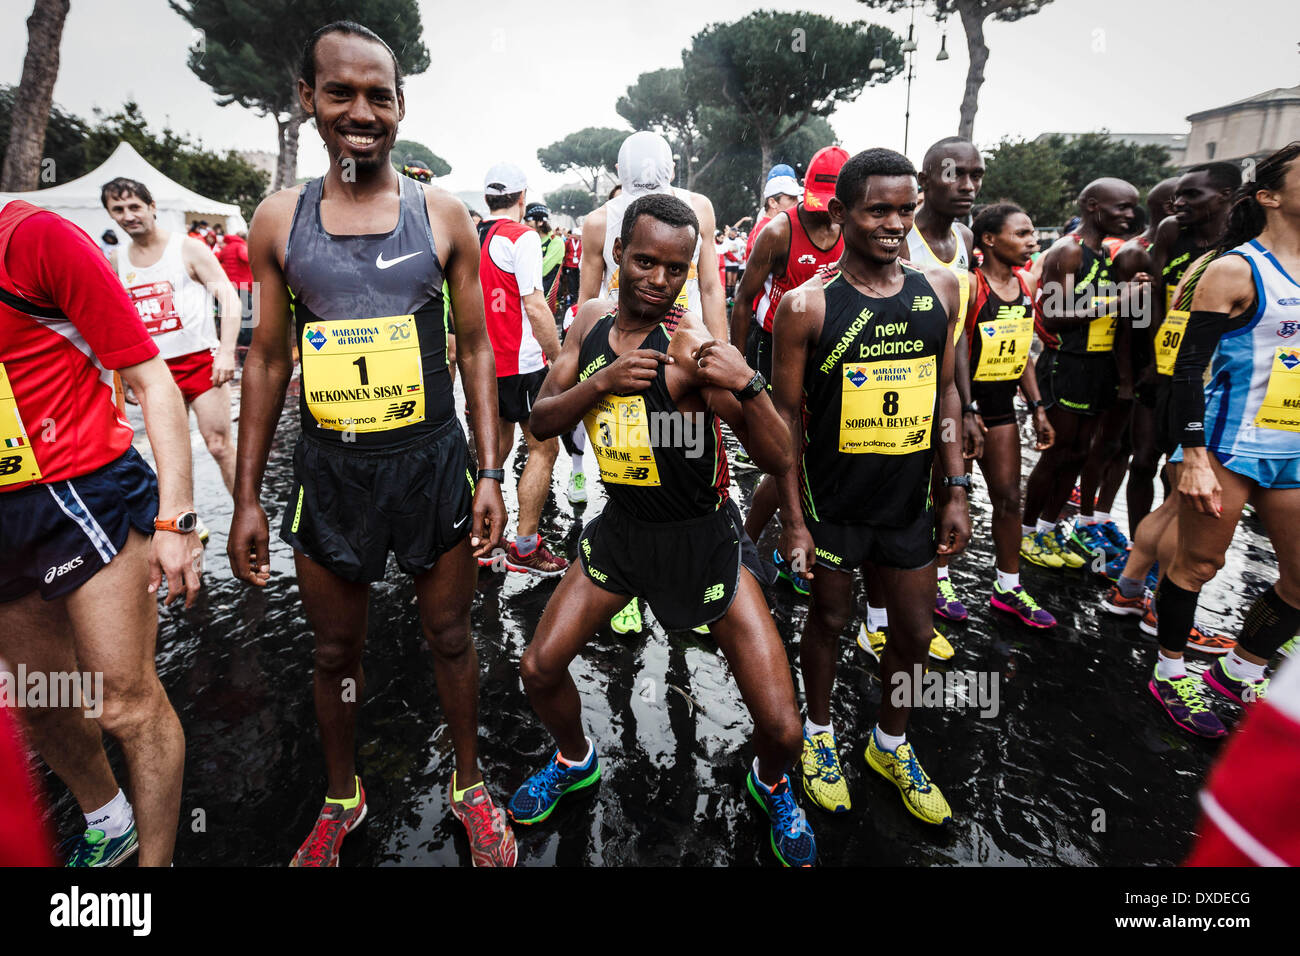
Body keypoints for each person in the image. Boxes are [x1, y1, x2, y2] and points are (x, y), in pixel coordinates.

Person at [228, 20, 516, 866]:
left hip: (432, 464)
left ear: (401, 103)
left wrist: (492, 473)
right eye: (341, 92)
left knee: (452, 635)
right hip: (333, 471)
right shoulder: (280, 220)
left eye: (378, 94)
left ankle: (470, 786)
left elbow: (476, 349)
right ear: (307, 100)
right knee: (331, 649)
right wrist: (244, 497)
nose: (362, 110)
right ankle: (340, 795)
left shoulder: (444, 215)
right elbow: (268, 359)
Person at [507, 193, 816, 866]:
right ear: (616, 254)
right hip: (622, 533)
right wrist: (603, 383)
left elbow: (780, 456)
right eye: (644, 261)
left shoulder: (690, 349)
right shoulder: (588, 321)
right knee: (539, 667)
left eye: (675, 268)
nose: (657, 280)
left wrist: (752, 384)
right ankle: (575, 758)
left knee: (782, 728)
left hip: (701, 540)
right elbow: (543, 421)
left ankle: (769, 784)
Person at [0, 198, 199, 867]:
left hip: (84, 496)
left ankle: (156, 866)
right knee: (43, 702)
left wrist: (177, 519)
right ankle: (108, 819)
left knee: (124, 704)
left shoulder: (35, 238)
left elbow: (151, 379)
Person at [774, 148, 969, 822]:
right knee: (828, 620)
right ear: (841, 213)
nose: (894, 223)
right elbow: (784, 428)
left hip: (907, 504)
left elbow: (946, 391)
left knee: (914, 632)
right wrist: (794, 521)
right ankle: (820, 737)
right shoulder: (805, 306)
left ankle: (890, 743)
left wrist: (955, 489)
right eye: (878, 209)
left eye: (905, 209)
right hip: (834, 505)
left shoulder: (939, 291)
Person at [1148, 142, 1300, 738]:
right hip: (1229, 447)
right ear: (1270, 196)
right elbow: (1188, 368)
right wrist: (1193, 456)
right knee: (1197, 565)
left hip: (1293, 449)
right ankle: (1170, 670)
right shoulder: (1236, 268)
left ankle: (1241, 668)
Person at [1102, 165, 1240, 651]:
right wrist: (1144, 364)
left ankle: (1132, 587)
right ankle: (1164, 606)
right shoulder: (1221, 254)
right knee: (1184, 491)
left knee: (1178, 491)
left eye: (1190, 195)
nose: (1176, 205)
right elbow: (1157, 302)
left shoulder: (1230, 245)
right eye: (1175, 197)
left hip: (1192, 373)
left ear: (1225, 196)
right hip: (1197, 380)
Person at [731, 146, 847, 553]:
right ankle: (748, 541)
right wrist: (739, 364)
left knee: (820, 452)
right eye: (814, 204)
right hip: (774, 345)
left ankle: (794, 542)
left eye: (831, 207)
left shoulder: (854, 230)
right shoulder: (779, 231)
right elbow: (743, 300)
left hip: (829, 349)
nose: (823, 214)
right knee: (787, 452)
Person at [1021, 178, 1141, 570]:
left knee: (1079, 455)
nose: (1129, 214)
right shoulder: (1068, 251)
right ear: (1092, 205)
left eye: (1131, 207)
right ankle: (1025, 535)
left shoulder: (1106, 254)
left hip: (1097, 369)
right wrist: (1118, 300)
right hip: (1065, 366)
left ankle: (1048, 528)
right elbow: (1054, 319)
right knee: (1056, 455)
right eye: (1121, 206)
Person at [103, 177, 243, 512]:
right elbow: (114, 323)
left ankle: (246, 515)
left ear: (152, 207)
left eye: (135, 206)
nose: (128, 215)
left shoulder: (187, 248)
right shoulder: (116, 260)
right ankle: (185, 526)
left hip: (201, 362)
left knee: (219, 445)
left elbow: (230, 299)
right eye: (118, 209)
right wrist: (123, 374)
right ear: (111, 214)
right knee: (171, 459)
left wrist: (226, 352)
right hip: (155, 371)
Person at [961, 203, 1057, 626]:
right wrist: (964, 410)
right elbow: (954, 355)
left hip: (1002, 412)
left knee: (1008, 500)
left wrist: (1037, 408)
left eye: (1032, 232)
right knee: (952, 497)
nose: (1031, 241)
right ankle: (940, 580)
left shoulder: (1024, 286)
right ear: (989, 240)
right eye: (1021, 233)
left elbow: (1023, 355)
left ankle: (1008, 586)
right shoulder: (969, 286)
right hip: (964, 411)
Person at [477, 163, 567, 575]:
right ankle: (525, 547)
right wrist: (561, 356)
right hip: (522, 362)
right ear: (522, 198)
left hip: (483, 363)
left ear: (486, 199)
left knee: (493, 452)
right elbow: (534, 304)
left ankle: (481, 537)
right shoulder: (522, 235)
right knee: (543, 449)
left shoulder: (470, 232)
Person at [905, 137, 982, 622]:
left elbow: (960, 333)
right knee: (905, 493)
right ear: (925, 180)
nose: (968, 186)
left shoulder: (967, 242)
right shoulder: (898, 233)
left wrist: (968, 407)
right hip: (897, 386)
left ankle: (938, 578)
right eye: (955, 174)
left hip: (946, 388)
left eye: (977, 176)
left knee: (949, 481)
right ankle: (884, 610)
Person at [579, 130, 726, 339]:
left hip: (685, 341)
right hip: (624, 345)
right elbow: (588, 300)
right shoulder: (598, 222)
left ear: (620, 172)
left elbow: (711, 289)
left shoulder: (700, 208)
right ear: (672, 171)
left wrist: (720, 348)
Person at [744, 164, 801, 261]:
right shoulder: (763, 232)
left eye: (797, 198)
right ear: (773, 202)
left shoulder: (781, 224)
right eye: (791, 198)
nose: (797, 203)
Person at [526, 202, 565, 317]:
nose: (525, 224)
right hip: (528, 299)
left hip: (545, 300)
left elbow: (541, 270)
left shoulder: (555, 242)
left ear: (541, 222)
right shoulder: (528, 241)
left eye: (528, 220)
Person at [216, 229, 254, 348]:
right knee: (246, 313)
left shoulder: (226, 248)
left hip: (230, 286)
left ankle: (232, 338)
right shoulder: (240, 246)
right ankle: (245, 341)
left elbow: (217, 259)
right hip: (243, 285)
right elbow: (246, 258)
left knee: (231, 312)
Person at [561, 225, 582, 312]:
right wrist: (563, 264)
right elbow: (564, 252)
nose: (579, 237)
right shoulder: (568, 242)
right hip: (569, 265)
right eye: (578, 235)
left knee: (577, 282)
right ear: (574, 235)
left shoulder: (581, 242)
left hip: (577, 266)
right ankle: (571, 299)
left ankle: (576, 298)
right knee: (570, 283)